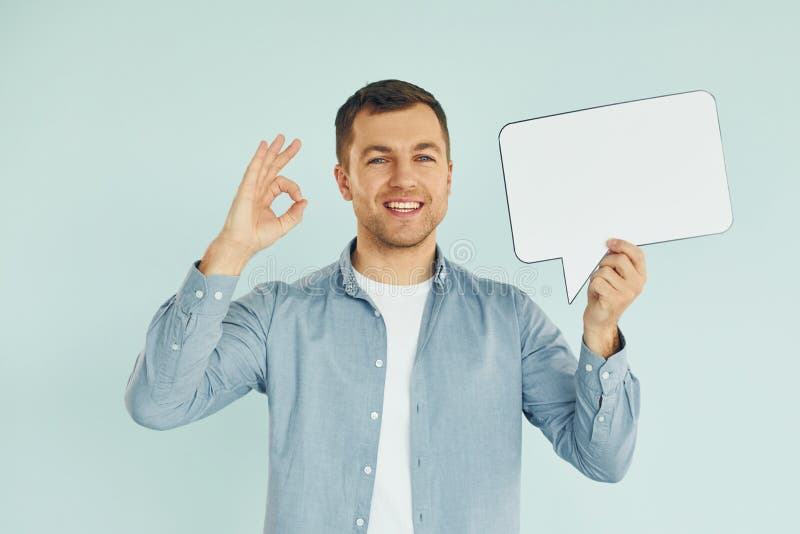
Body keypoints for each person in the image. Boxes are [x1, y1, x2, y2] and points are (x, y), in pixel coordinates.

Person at [124, 79, 646, 534]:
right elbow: (158, 403)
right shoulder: (280, 314)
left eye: (423, 157)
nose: (403, 178)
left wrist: (602, 329)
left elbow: (603, 459)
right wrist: (231, 249)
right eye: (378, 159)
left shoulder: (509, 319)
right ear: (344, 181)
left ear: (447, 176)